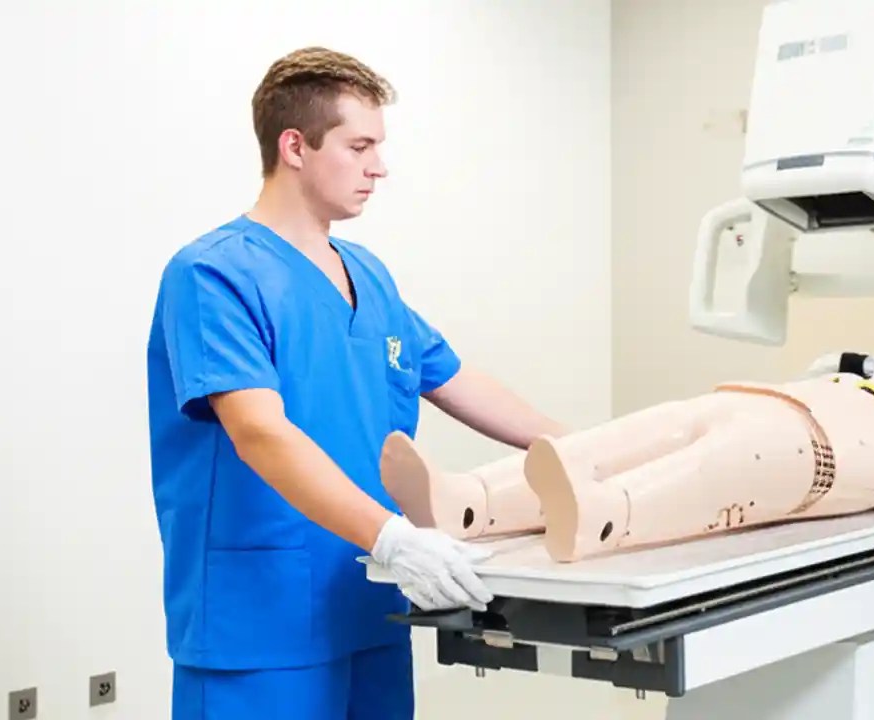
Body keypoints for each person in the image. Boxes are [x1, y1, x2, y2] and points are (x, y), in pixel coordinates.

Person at [145, 46, 566, 720]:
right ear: (295, 147)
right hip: (260, 623)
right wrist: (392, 537)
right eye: (359, 144)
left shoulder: (367, 275)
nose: (380, 165)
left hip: (368, 604)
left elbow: (458, 381)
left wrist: (583, 450)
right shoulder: (213, 275)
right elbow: (259, 432)